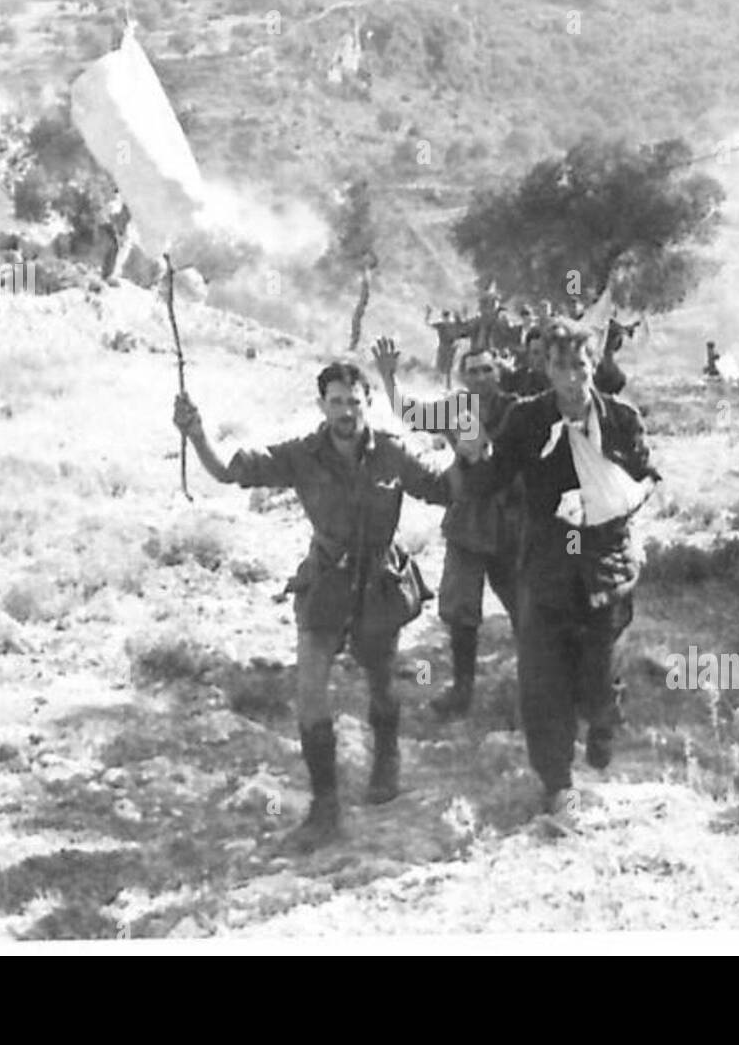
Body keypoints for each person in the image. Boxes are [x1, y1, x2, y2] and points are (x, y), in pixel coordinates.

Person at [172, 362, 457, 852]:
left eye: (355, 402)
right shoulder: (301, 455)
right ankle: (326, 809)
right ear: (322, 405)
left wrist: (468, 441)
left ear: (368, 403)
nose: (346, 411)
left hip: (378, 584)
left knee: (381, 679)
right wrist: (196, 434)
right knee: (309, 691)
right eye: (337, 402)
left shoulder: (391, 453)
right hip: (325, 581)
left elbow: (445, 487)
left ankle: (385, 759)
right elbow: (227, 471)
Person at [453, 320, 661, 830]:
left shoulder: (620, 420)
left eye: (580, 365)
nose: (571, 378)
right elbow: (491, 479)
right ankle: (558, 786)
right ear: (546, 369)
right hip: (546, 565)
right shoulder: (527, 420)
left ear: (594, 367)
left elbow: (646, 477)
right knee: (543, 681)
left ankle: (603, 716)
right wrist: (470, 455)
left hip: (606, 564)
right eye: (560, 366)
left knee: (595, 675)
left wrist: (612, 497)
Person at [372, 338, 521, 720]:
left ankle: (538, 684)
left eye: (487, 369)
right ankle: (463, 689)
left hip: (512, 520)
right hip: (469, 518)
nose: (481, 377)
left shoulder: (517, 410)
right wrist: (389, 377)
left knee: (527, 606)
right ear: (461, 377)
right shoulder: (456, 409)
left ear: (498, 372)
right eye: (472, 371)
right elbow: (410, 413)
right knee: (460, 611)